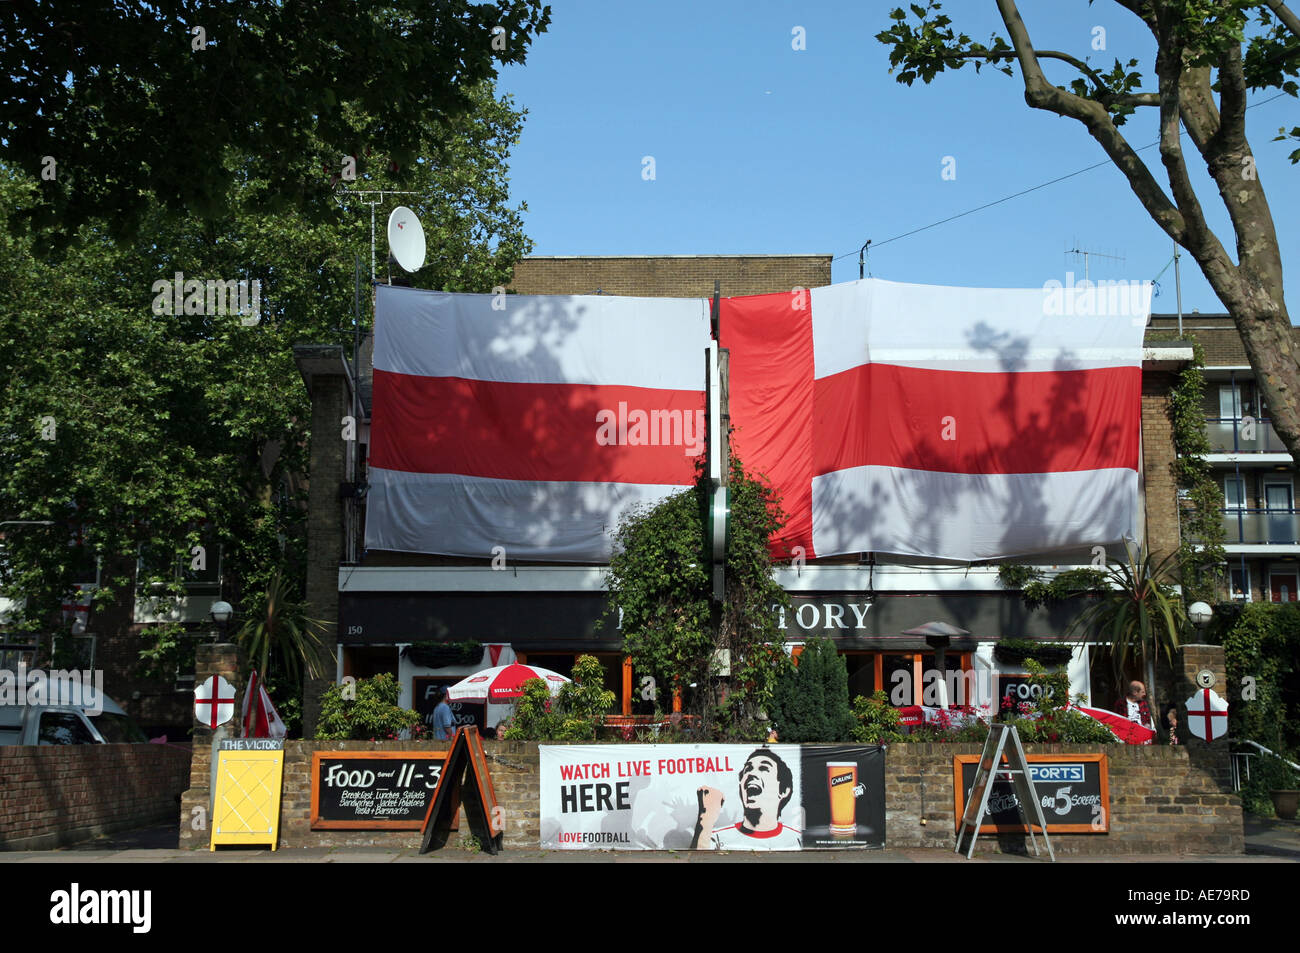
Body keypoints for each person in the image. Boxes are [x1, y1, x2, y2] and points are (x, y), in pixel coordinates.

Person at [690, 747, 801, 850]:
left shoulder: (797, 840)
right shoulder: (717, 838)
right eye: (748, 769)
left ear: (784, 791)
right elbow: (698, 858)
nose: (751, 773)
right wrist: (706, 818)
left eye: (764, 768)